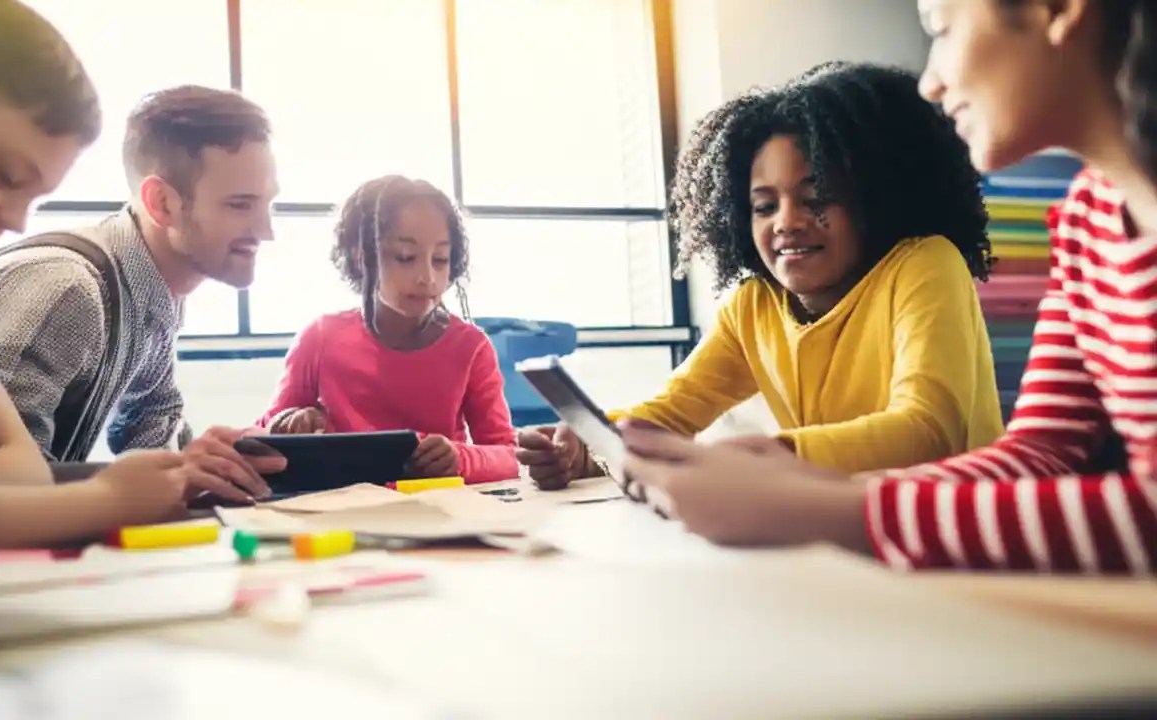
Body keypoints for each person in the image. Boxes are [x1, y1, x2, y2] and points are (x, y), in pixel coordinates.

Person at [622, 0, 1157, 574]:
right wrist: (793, 488)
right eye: (764, 205)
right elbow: (1042, 451)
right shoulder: (1086, 221)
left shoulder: (924, 263)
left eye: (942, 30)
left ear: (1057, 10)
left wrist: (821, 507)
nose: (930, 82)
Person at [519, 61, 1002, 489]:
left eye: (817, 198)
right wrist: (589, 446)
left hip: (951, 536)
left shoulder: (925, 264)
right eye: (764, 206)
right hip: (837, 533)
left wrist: (768, 454)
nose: (786, 221)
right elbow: (669, 413)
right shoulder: (755, 304)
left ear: (878, 199)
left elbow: (927, 431)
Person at [0, 0, 188, 613]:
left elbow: (19, 463)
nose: (17, 221)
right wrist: (97, 502)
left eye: (36, 197)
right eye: (5, 175)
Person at [0, 85, 286, 504]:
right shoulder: (71, 292)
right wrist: (176, 473)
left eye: (267, 205)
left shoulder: (153, 288)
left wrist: (210, 465)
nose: (267, 231)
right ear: (162, 203)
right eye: (240, 205)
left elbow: (150, 431)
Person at [258, 175, 518, 484]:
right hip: (341, 511)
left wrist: (460, 458)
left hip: (438, 511)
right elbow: (262, 439)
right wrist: (287, 424)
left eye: (440, 259)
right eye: (406, 258)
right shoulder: (320, 338)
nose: (427, 277)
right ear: (361, 255)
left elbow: (508, 455)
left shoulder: (471, 347)